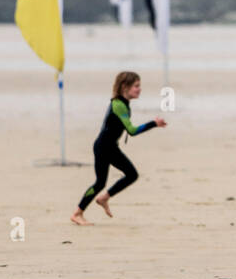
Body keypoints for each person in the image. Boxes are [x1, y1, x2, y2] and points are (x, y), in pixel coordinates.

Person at [71, 71, 166, 225]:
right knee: (106, 181)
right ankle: (78, 213)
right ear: (125, 87)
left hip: (109, 146)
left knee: (125, 176)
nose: (139, 89)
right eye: (136, 86)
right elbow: (132, 131)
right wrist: (153, 124)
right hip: (104, 147)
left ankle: (101, 199)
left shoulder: (123, 103)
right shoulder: (118, 105)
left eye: (139, 86)